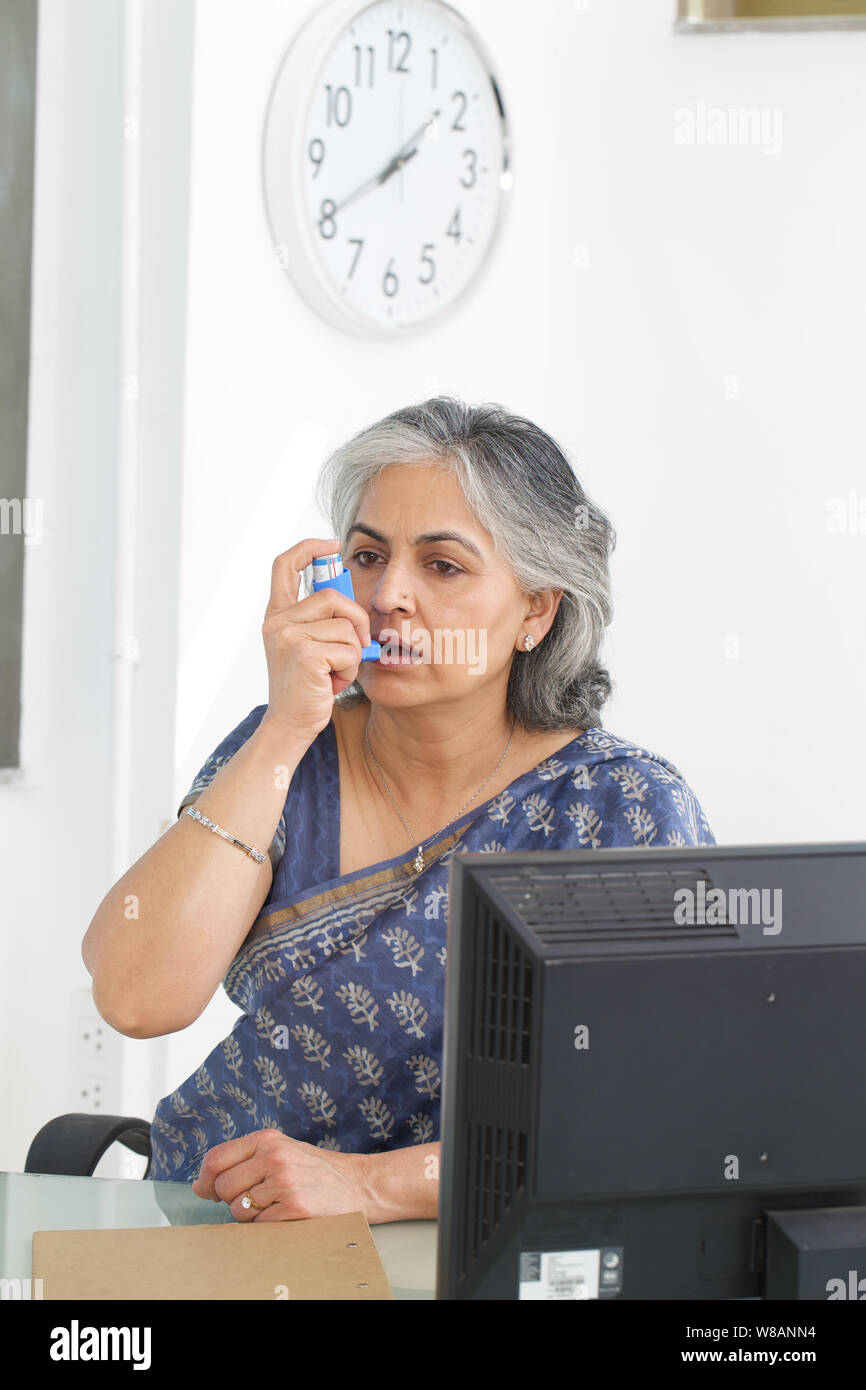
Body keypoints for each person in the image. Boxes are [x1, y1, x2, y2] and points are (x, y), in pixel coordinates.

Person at [82, 397, 715, 1224]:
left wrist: (372, 1186)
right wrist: (284, 726)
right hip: (216, 1217)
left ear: (536, 610)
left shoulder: (617, 806)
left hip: (473, 1245)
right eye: (369, 557)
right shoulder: (287, 751)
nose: (389, 598)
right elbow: (135, 997)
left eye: (442, 566)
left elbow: (658, 1112)